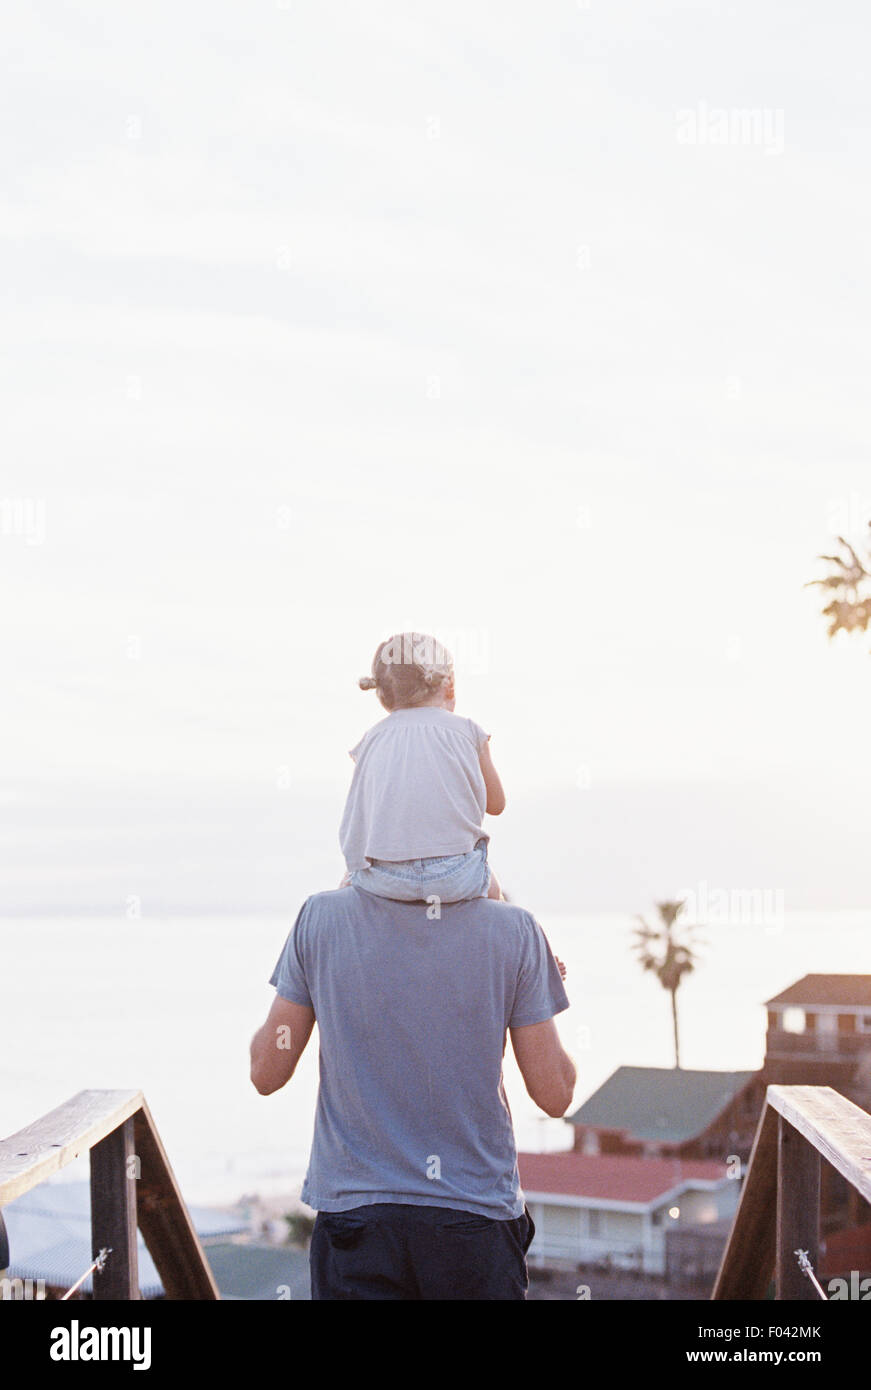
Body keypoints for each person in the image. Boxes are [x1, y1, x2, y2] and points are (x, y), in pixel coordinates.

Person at [250, 884, 575, 1300]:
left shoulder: (322, 918)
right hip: (471, 1218)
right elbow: (556, 1094)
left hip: (358, 1218)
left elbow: (265, 1072)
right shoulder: (514, 929)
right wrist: (536, 989)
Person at [339, 630, 565, 977]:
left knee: (342, 888)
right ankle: (537, 964)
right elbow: (497, 804)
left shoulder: (369, 741)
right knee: (497, 894)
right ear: (450, 686)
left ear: (381, 695)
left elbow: (365, 815)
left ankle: (340, 949)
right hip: (456, 877)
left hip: (383, 880)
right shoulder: (469, 732)